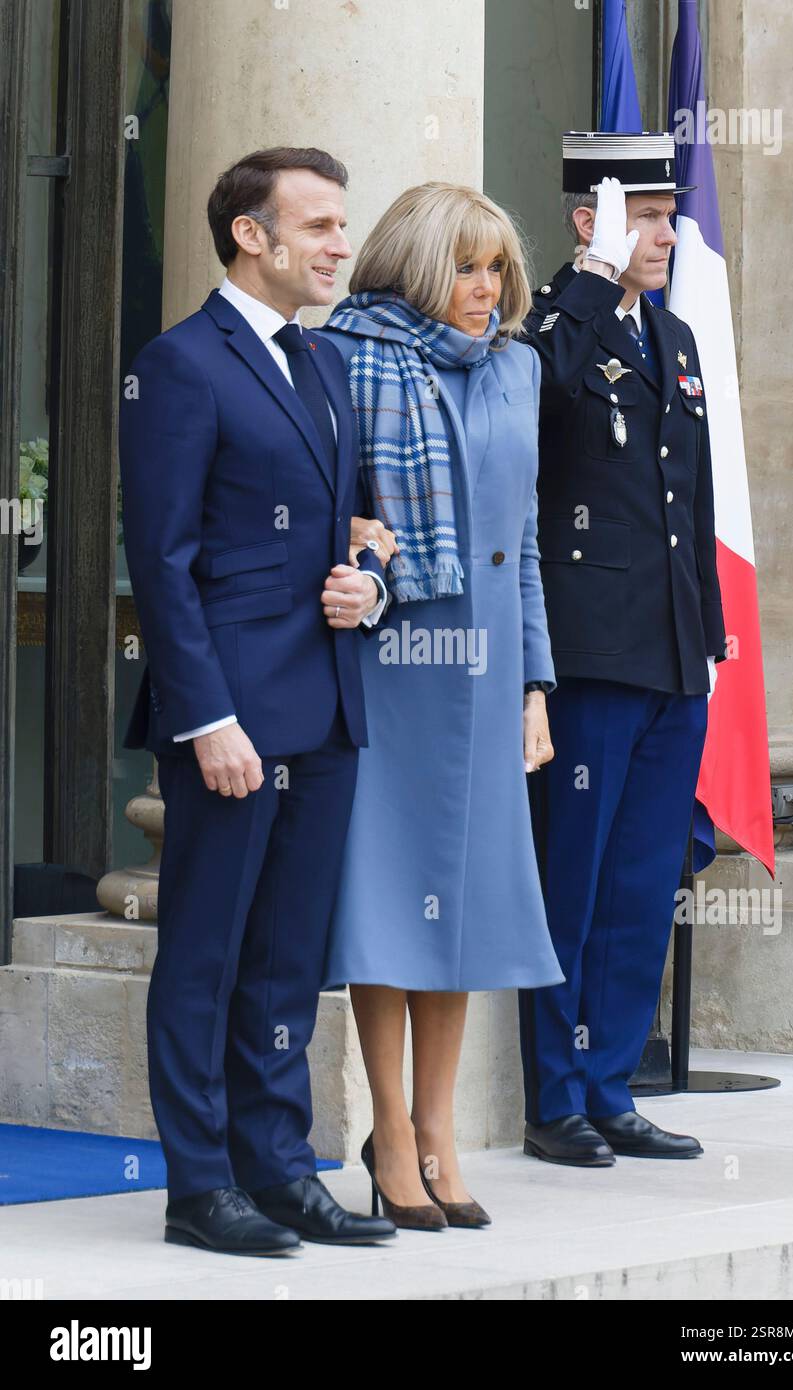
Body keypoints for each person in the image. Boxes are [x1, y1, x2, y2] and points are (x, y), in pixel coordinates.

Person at [119, 146, 398, 1254]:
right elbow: (163, 556)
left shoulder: (325, 367)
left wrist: (368, 582)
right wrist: (206, 719)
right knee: (205, 951)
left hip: (326, 710)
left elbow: (367, 525)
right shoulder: (180, 364)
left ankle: (278, 1169)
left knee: (288, 957)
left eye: (342, 224)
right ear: (251, 234)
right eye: (320, 226)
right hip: (228, 718)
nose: (340, 244)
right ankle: (198, 1185)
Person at [318, 182, 565, 1230]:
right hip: (393, 661)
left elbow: (529, 544)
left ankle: (437, 1131)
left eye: (497, 268)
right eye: (464, 266)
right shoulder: (346, 357)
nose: (485, 288)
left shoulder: (520, 367)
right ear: (418, 266)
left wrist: (534, 685)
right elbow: (334, 520)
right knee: (388, 902)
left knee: (463, 910)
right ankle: (384, 1129)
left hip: (487, 668)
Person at [518, 133, 726, 1167]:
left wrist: (708, 641)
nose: (662, 231)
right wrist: (594, 274)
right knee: (573, 878)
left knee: (642, 884)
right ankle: (554, 1094)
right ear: (587, 219)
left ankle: (610, 1085)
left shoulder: (674, 337)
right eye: (640, 213)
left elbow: (690, 500)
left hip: (669, 657)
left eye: (665, 212)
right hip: (589, 656)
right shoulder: (560, 318)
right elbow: (543, 390)